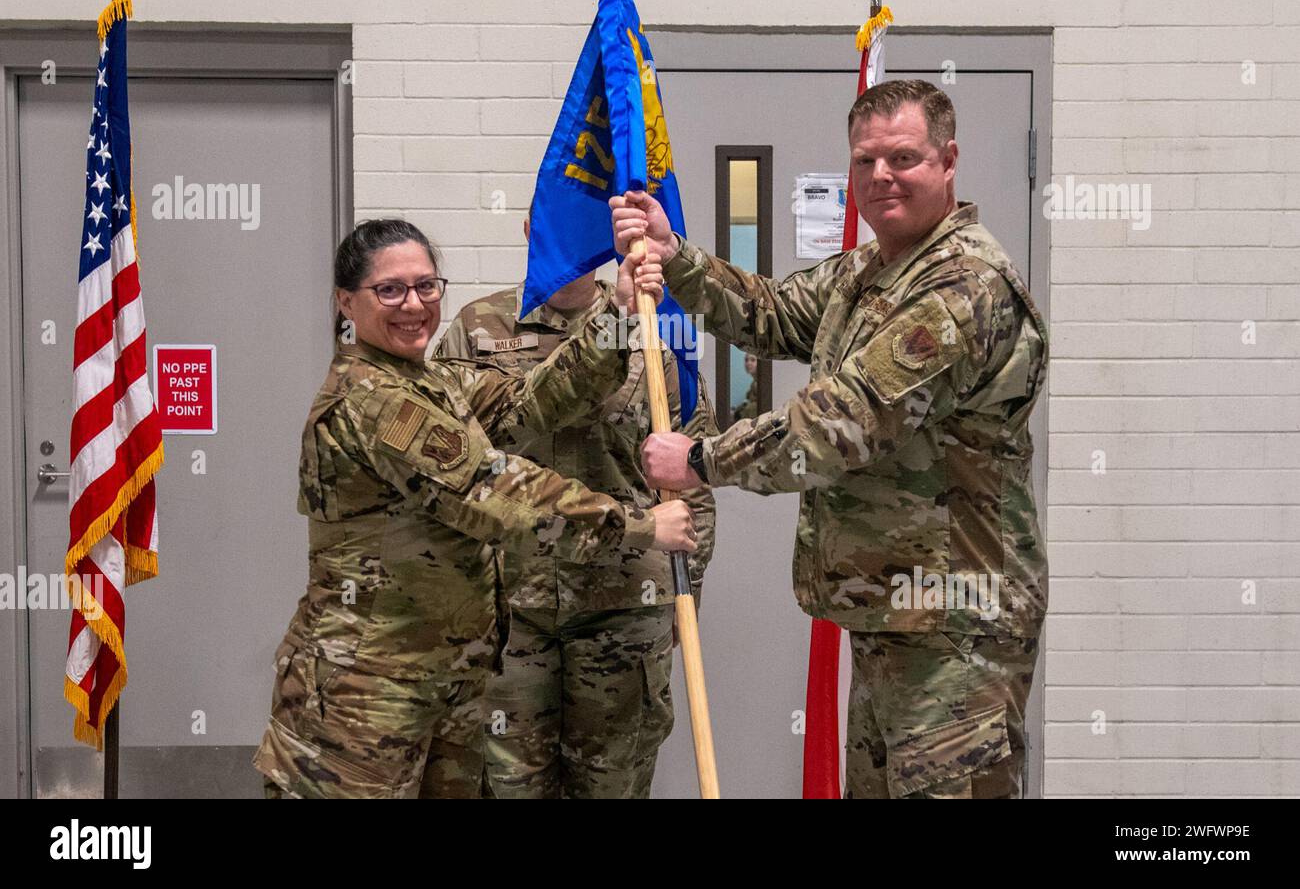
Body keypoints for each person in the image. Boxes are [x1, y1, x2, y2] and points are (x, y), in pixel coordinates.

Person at [613, 79, 1049, 799]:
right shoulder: (870, 271)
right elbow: (775, 314)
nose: (881, 177)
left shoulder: (963, 286)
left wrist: (700, 459)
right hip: (895, 615)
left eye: (903, 158)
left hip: (958, 631)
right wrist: (676, 255)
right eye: (864, 162)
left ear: (949, 161)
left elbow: (843, 422)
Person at [253, 218, 695, 799]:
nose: (413, 305)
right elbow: (495, 495)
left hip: (447, 684)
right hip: (364, 696)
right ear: (345, 302)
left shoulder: (430, 380)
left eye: (426, 286)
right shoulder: (373, 399)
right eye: (390, 290)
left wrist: (613, 312)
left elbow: (531, 400)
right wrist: (639, 526)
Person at [437, 211, 718, 799]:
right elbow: (453, 460)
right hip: (511, 608)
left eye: (588, 229)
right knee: (506, 785)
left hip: (622, 605)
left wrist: (683, 590)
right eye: (557, 223)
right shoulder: (477, 327)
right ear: (529, 231)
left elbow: (692, 472)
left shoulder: (653, 327)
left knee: (612, 785)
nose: (572, 240)